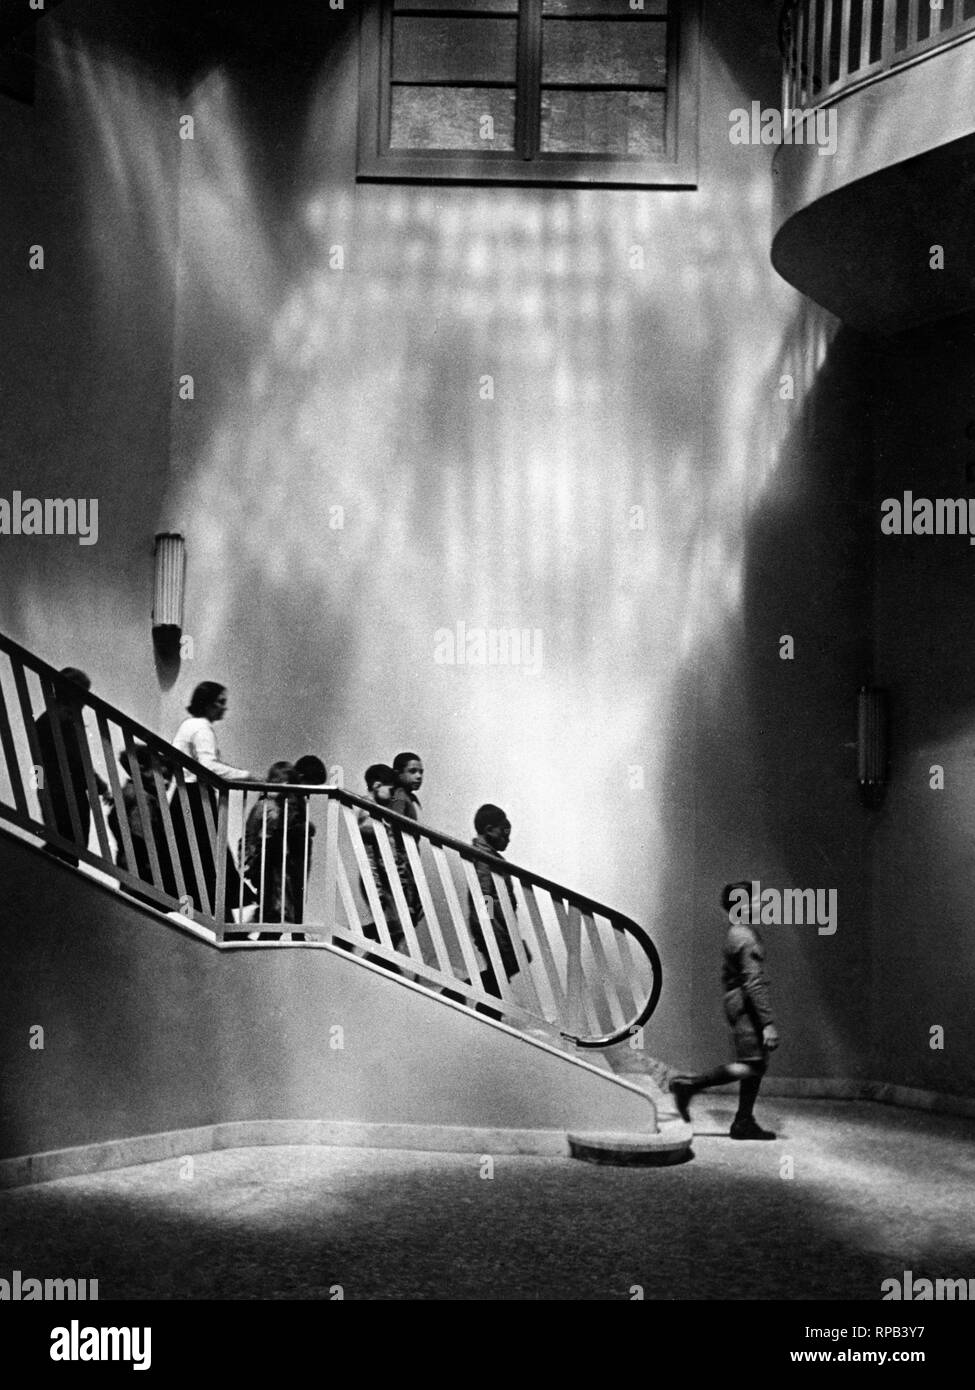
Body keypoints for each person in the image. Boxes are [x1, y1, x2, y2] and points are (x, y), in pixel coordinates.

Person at [669, 881, 781, 1140]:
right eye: (754, 900)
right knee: (751, 1066)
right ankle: (689, 1086)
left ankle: (743, 1121)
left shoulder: (737, 932)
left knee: (755, 1063)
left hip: (738, 1002)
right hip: (746, 1005)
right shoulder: (744, 936)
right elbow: (753, 982)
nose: (760, 903)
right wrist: (768, 1022)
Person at [171, 681, 256, 924]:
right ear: (207, 703)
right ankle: (223, 922)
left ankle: (218, 918)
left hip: (183, 796)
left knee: (198, 858)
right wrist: (245, 776)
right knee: (210, 859)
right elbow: (206, 765)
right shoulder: (201, 728)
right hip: (196, 797)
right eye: (220, 702)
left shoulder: (189, 725)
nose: (224, 708)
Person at [34, 666, 107, 867]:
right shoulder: (65, 720)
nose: (84, 703)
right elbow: (76, 759)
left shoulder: (49, 717)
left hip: (51, 788)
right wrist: (98, 784)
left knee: (61, 841)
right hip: (66, 791)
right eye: (83, 695)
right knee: (70, 844)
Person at [468, 804, 527, 1017]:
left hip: (496, 923)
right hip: (491, 924)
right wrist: (489, 923)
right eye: (505, 832)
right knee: (502, 968)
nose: (508, 839)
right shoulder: (483, 856)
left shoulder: (489, 855)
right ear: (490, 829)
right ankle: (487, 1013)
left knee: (508, 964)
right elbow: (484, 893)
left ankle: (479, 1002)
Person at [107, 743, 177, 907]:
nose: (167, 783)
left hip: (130, 865)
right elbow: (142, 835)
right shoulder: (144, 798)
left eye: (170, 779)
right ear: (144, 771)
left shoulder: (128, 792)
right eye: (163, 776)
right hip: (142, 869)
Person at [355, 763, 406, 963]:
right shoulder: (368, 806)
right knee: (394, 925)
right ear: (377, 786)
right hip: (374, 875)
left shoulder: (379, 808)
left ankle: (372, 959)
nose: (393, 796)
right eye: (391, 790)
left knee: (394, 925)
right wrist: (382, 830)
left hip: (381, 875)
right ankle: (371, 961)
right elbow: (364, 826)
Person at [242, 761, 295, 935]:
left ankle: (244, 930)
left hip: (261, 861)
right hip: (266, 863)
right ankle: (243, 931)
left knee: (269, 907)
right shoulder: (270, 807)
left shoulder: (264, 805)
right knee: (273, 908)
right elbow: (264, 838)